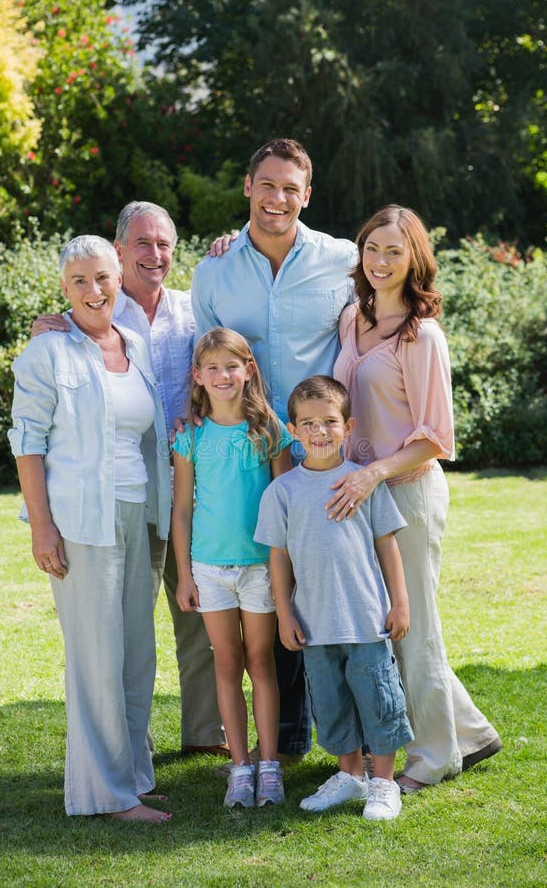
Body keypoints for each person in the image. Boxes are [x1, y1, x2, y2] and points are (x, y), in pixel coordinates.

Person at [31, 202, 226, 756]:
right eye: (142, 243)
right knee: (122, 631)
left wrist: (232, 245)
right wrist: (47, 326)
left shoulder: (194, 311)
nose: (155, 254)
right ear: (118, 253)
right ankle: (124, 751)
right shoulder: (88, 316)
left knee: (199, 621)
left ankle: (205, 740)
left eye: (165, 243)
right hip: (125, 492)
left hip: (191, 489)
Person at [192, 138, 358, 763]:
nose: (278, 198)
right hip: (247, 457)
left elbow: (382, 308)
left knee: (333, 589)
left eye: (291, 188)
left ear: (307, 195)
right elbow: (202, 362)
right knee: (270, 583)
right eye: (268, 185)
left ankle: (357, 736)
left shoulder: (342, 260)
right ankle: (284, 743)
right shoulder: (214, 270)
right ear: (247, 187)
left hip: (321, 458)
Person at [330, 204, 502, 792]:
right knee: (391, 621)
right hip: (363, 493)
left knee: (414, 627)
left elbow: (435, 438)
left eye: (394, 252)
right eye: (372, 248)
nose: (380, 261)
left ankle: (433, 758)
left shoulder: (421, 335)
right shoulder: (353, 316)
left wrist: (374, 470)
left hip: (405, 492)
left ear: (415, 259)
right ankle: (471, 731)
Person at [8, 236, 172, 822]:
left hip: (138, 514)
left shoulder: (134, 346)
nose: (94, 290)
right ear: (63, 288)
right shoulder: (47, 353)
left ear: (118, 277)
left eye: (102, 277)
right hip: (80, 523)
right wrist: (41, 529)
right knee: (97, 656)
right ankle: (105, 796)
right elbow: (26, 443)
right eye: (80, 281)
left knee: (135, 653)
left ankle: (130, 778)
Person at [254, 376, 413, 821]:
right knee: (331, 703)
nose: (319, 432)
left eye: (329, 422)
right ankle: (349, 777)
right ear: (293, 430)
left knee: (379, 699)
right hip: (315, 623)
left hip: (366, 618)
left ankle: (383, 783)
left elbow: (387, 545)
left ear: (348, 426)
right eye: (308, 424)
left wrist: (400, 602)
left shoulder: (362, 483)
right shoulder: (281, 492)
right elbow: (279, 560)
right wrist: (284, 614)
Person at [172, 328, 292, 807]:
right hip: (209, 568)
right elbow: (182, 511)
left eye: (232, 366)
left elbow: (286, 506)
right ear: (199, 377)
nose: (223, 376)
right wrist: (184, 574)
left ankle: (269, 763)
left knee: (262, 662)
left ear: (249, 371)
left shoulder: (271, 431)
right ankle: (239, 767)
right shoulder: (190, 438)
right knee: (227, 661)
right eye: (213, 368)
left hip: (261, 567)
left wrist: (285, 575)